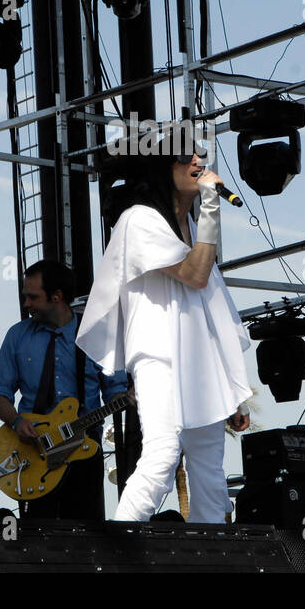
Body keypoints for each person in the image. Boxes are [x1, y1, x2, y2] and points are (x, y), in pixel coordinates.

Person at [78, 145, 252, 525]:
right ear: (161, 167)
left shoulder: (190, 228)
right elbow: (195, 274)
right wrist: (211, 206)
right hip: (157, 356)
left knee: (209, 474)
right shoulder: (137, 221)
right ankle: (117, 554)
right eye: (186, 156)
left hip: (202, 364)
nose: (198, 163)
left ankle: (212, 560)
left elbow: (212, 312)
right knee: (161, 456)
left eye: (201, 155)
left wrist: (232, 393)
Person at [0, 259, 128, 519]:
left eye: (33, 297)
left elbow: (116, 392)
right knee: (37, 538)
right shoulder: (17, 336)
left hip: (84, 449)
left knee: (86, 537)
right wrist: (17, 422)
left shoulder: (96, 334)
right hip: (32, 453)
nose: (26, 304)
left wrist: (132, 397)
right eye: (25, 296)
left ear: (57, 296)